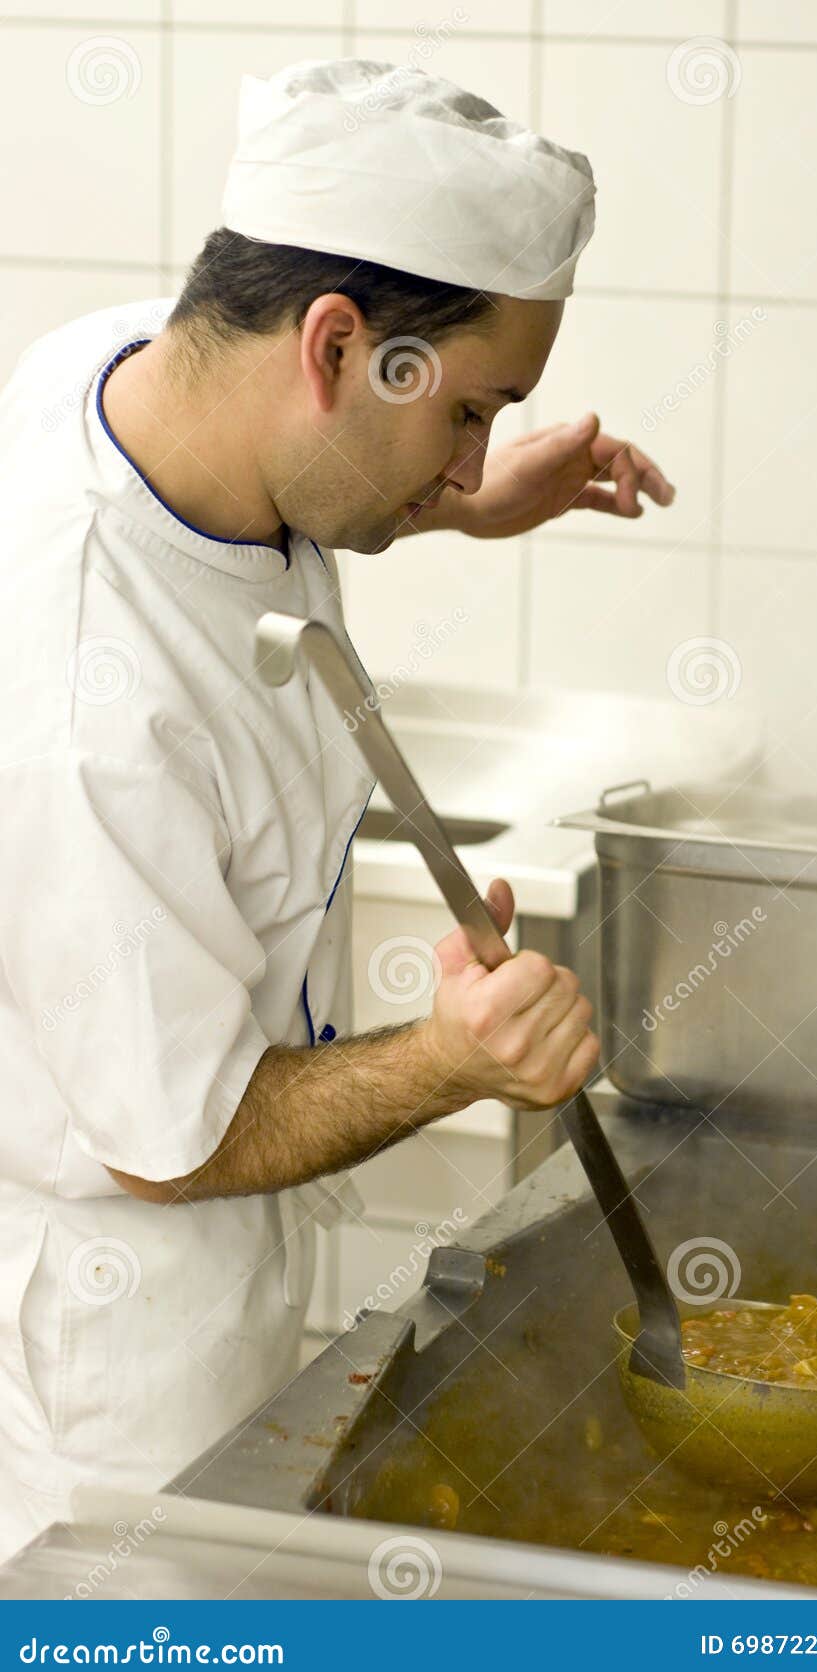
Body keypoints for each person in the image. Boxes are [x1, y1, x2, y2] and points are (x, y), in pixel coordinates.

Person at [0, 58, 674, 1560]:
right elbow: (169, 1140)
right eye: (472, 413)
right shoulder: (84, 706)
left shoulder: (132, 372)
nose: (479, 453)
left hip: (214, 1265)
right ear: (335, 346)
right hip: (120, 1353)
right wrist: (451, 1058)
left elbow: (293, 466)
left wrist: (459, 496)